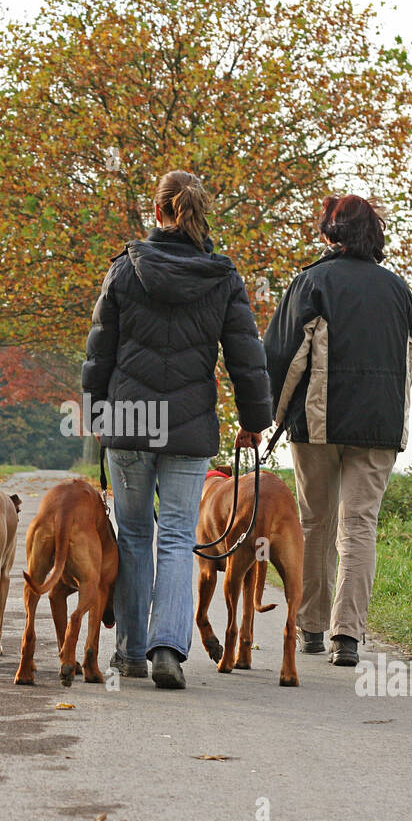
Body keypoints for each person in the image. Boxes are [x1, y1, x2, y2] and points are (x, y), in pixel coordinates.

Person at [83, 170, 272, 689]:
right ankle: (169, 646)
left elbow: (100, 351)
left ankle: (131, 651)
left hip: (129, 420)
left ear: (158, 211)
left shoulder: (124, 269)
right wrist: (255, 422)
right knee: (176, 536)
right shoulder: (223, 278)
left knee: (135, 533)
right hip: (189, 428)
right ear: (198, 212)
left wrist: (95, 411)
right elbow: (246, 358)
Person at [263, 194, 412, 666]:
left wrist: (273, 415)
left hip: (318, 424)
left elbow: (285, 358)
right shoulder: (399, 291)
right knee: (359, 526)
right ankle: (347, 636)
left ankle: (310, 627)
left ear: (331, 235)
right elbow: (409, 358)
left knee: (315, 522)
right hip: (379, 426)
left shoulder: (312, 282)